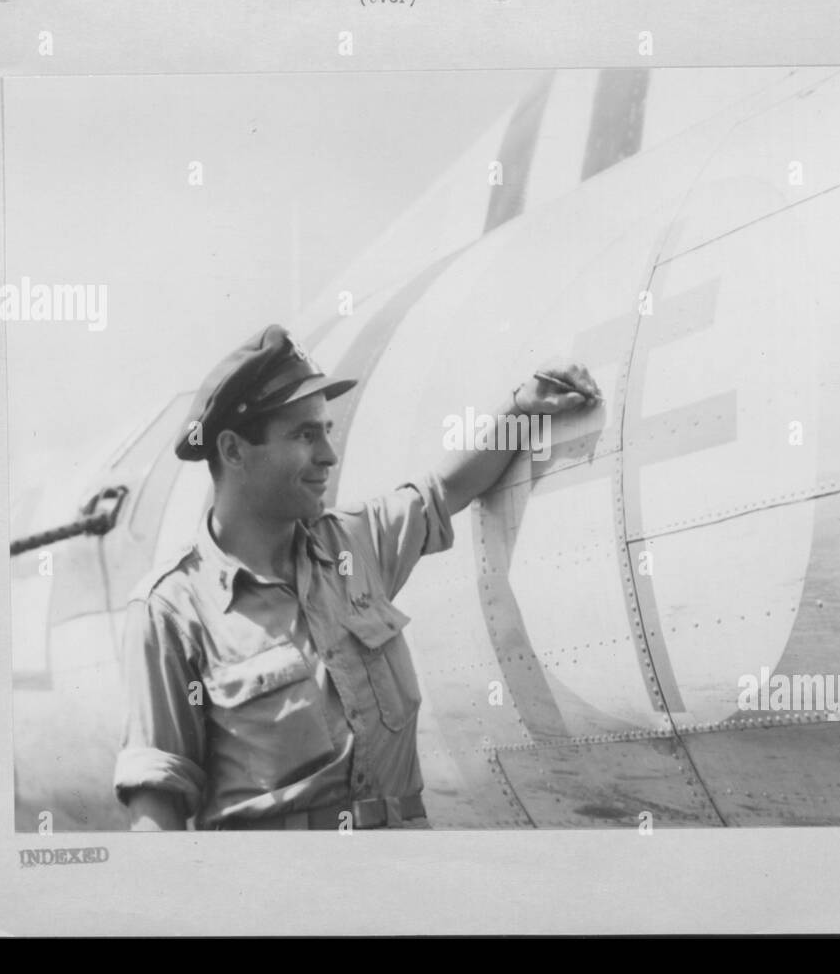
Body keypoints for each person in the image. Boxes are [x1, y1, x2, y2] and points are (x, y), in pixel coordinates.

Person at [113, 324, 599, 830]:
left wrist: (524, 408)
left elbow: (446, 489)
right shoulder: (171, 609)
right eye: (305, 434)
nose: (328, 454)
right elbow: (158, 806)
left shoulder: (353, 546)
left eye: (326, 430)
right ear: (234, 451)